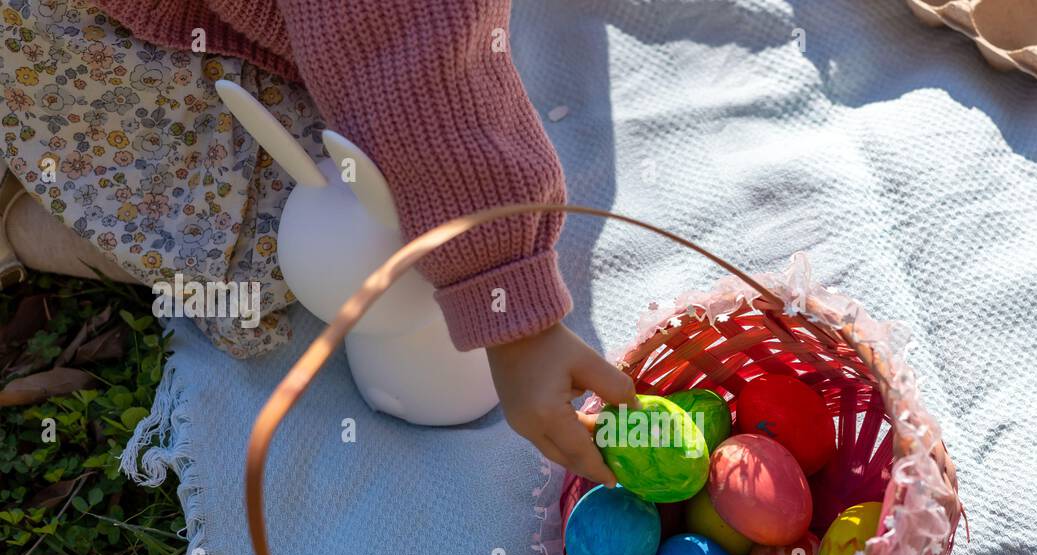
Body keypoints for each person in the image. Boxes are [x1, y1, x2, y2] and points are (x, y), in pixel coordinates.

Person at [0, 0, 629, 485]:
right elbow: (401, 42)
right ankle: (26, 216)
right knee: (278, 235)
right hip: (85, 58)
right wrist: (506, 296)